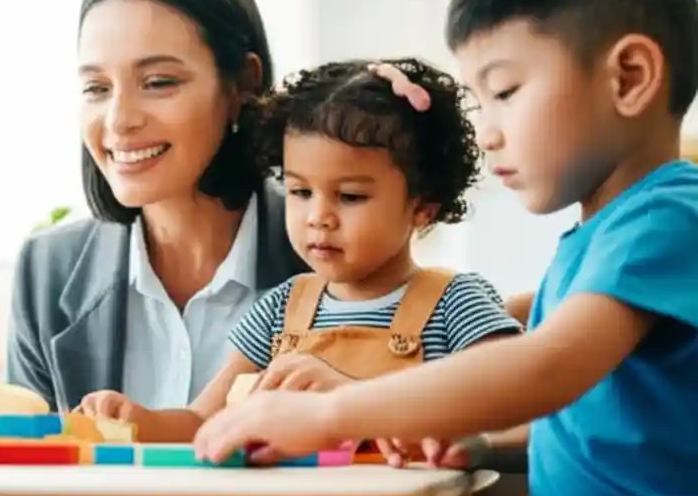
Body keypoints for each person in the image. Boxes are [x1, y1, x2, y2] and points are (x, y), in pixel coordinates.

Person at [193, 0, 698, 496]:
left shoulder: (665, 216)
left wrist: (332, 413)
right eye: (480, 105)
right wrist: (477, 440)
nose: (489, 133)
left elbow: (544, 371)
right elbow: (583, 428)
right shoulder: (595, 240)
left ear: (630, 77)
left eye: (506, 93)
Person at [78, 58, 522, 444]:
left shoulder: (455, 305)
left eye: (349, 197)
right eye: (300, 191)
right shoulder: (280, 311)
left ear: (423, 207)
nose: (319, 217)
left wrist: (352, 400)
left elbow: (515, 416)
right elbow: (202, 421)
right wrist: (141, 420)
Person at [5, 0, 309, 413]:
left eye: (159, 82)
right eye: (97, 88)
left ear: (242, 85)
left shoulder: (326, 253)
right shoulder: (48, 270)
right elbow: (33, 469)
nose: (120, 119)